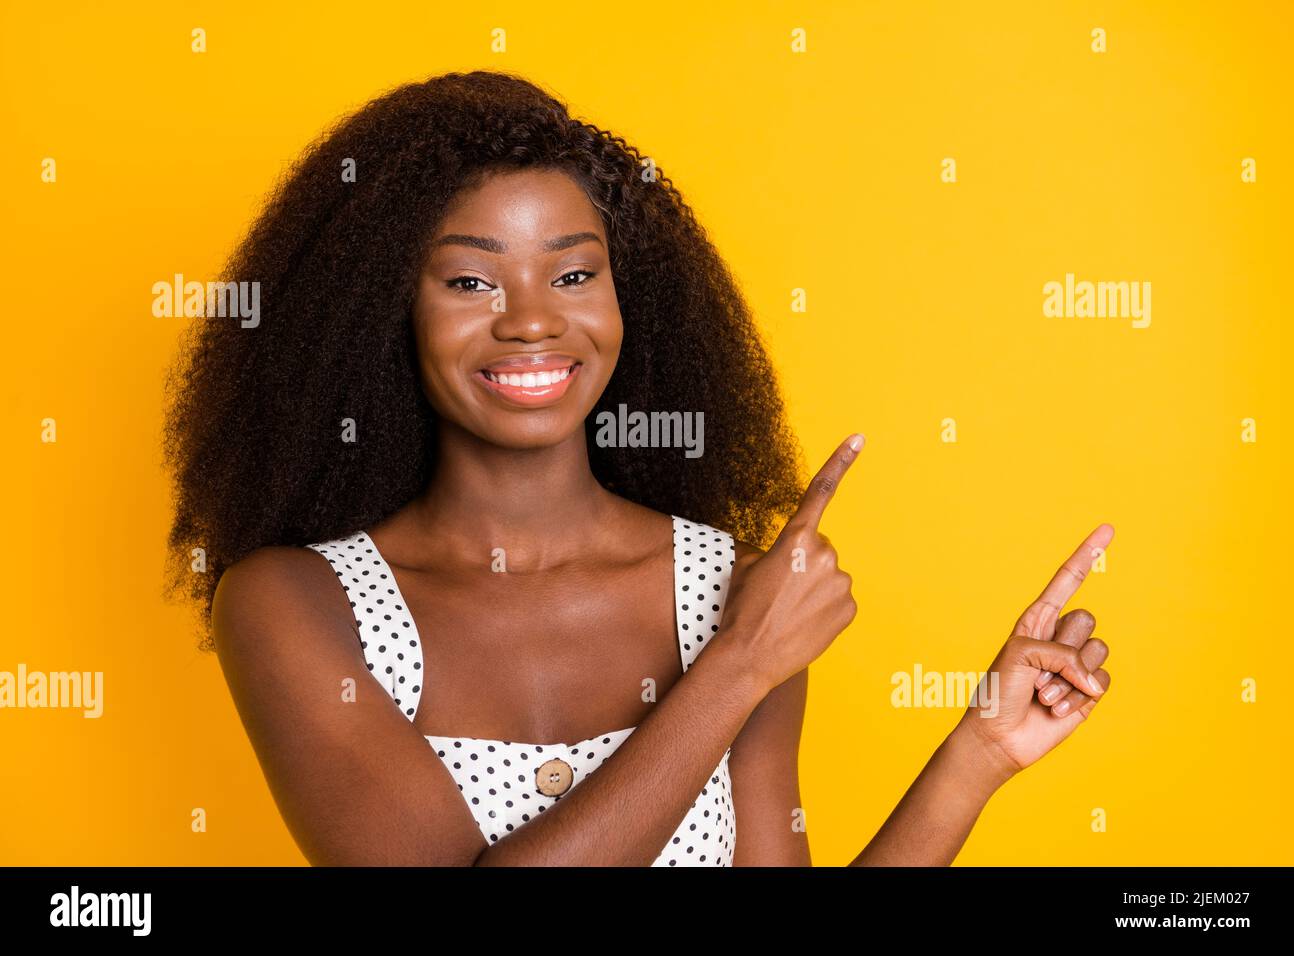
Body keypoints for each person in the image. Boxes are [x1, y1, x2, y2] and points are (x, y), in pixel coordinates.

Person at [163, 70, 1114, 866]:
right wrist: (738, 666)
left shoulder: (738, 593)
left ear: (631, 302)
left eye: (574, 273)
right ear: (382, 309)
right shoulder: (295, 605)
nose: (532, 318)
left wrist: (980, 751)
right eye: (469, 280)